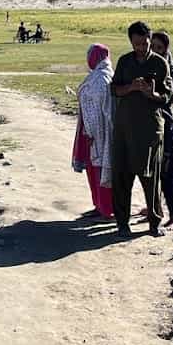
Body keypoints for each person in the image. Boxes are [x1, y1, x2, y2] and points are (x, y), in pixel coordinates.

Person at [110, 21, 173, 237]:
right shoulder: (124, 62)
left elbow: (168, 95)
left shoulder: (160, 63)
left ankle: (154, 223)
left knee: (151, 179)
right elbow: (114, 89)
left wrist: (151, 94)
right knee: (122, 177)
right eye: (136, 44)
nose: (141, 47)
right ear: (131, 41)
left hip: (149, 130)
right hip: (124, 129)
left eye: (145, 43)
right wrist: (131, 87)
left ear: (149, 39)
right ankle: (122, 224)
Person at [73, 44, 115, 219]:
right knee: (94, 171)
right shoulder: (98, 76)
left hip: (100, 133)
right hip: (93, 133)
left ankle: (107, 209)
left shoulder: (102, 79)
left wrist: (92, 133)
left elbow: (100, 110)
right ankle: (98, 205)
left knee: (103, 171)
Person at [154, 30, 173, 225]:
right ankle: (155, 207)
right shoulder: (146, 65)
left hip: (166, 124)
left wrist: (166, 92)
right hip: (149, 124)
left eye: (159, 47)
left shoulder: (171, 70)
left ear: (166, 49)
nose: (155, 51)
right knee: (152, 170)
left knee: (168, 169)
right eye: (153, 47)